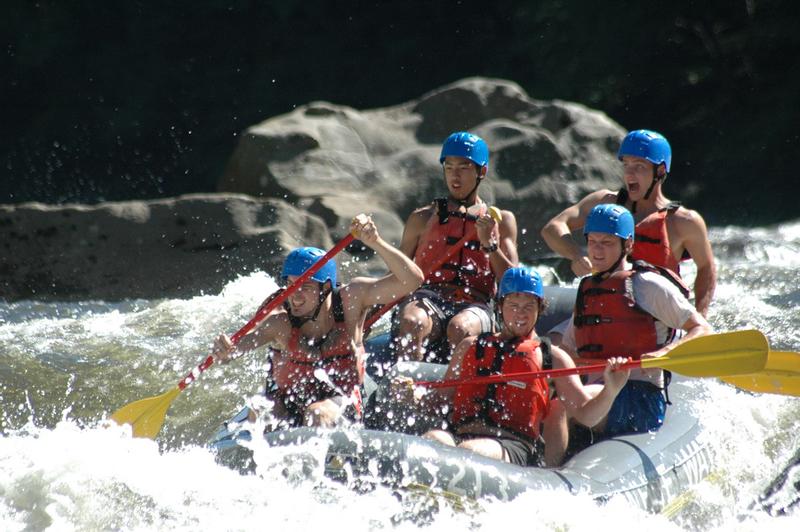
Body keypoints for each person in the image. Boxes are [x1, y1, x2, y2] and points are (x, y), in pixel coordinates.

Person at [391, 267, 631, 467]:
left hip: (514, 446)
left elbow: (587, 415)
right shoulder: (469, 347)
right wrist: (413, 397)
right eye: (513, 305)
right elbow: (442, 400)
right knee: (431, 440)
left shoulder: (552, 358)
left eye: (528, 307)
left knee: (468, 451)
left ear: (540, 308)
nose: (521, 314)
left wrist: (611, 388)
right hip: (461, 433)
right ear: (500, 307)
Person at [211, 214, 424, 428]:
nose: (295, 295)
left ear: (325, 288)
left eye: (305, 286)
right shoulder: (279, 319)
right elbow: (238, 348)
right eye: (291, 285)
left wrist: (375, 242)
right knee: (261, 410)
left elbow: (412, 280)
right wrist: (225, 351)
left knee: (316, 414)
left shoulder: (352, 300)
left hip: (342, 398)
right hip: (287, 401)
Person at [558, 204, 712, 440]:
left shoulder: (647, 285)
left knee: (562, 407)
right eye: (593, 242)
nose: (597, 251)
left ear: (628, 245)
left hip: (640, 397)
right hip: (597, 393)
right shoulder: (588, 289)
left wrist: (664, 354)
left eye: (607, 243)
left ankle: (548, 467)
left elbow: (701, 328)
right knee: (549, 401)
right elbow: (567, 351)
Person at [541, 129, 716, 317]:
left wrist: (700, 315)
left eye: (639, 166)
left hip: (655, 315)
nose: (629, 174)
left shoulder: (683, 222)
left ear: (660, 171)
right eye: (626, 165)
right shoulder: (605, 202)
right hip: (604, 308)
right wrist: (575, 255)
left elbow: (707, 267)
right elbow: (553, 228)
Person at [393, 131, 519, 363]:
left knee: (459, 328)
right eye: (449, 167)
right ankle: (408, 392)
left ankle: (455, 395)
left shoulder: (503, 221)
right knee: (412, 322)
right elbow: (397, 274)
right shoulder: (421, 218)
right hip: (428, 297)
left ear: (481, 172)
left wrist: (489, 244)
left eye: (463, 167)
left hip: (475, 303)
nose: (455, 175)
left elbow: (514, 285)